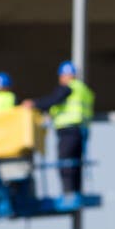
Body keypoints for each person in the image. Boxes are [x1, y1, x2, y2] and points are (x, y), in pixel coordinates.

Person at [23, 61, 94, 194]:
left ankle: (68, 191)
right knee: (75, 163)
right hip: (81, 131)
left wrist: (34, 103)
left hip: (68, 129)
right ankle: (75, 191)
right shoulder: (84, 90)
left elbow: (54, 99)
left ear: (66, 75)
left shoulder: (68, 87)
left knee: (65, 162)